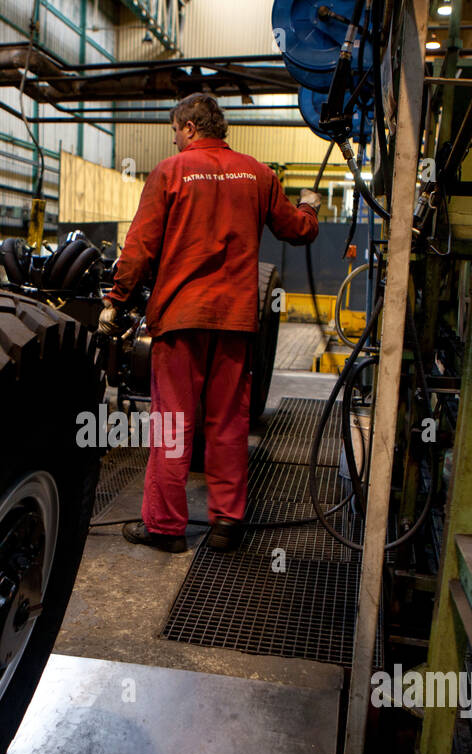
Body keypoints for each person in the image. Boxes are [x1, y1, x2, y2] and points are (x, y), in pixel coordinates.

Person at [100, 93, 321, 553]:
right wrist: (310, 206)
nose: (175, 140)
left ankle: (165, 528)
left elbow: (139, 248)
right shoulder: (258, 174)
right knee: (227, 423)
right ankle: (226, 524)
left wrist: (115, 301)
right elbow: (297, 230)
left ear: (189, 126)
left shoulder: (171, 171)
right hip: (235, 322)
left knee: (172, 424)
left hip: (181, 319)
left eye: (176, 132)